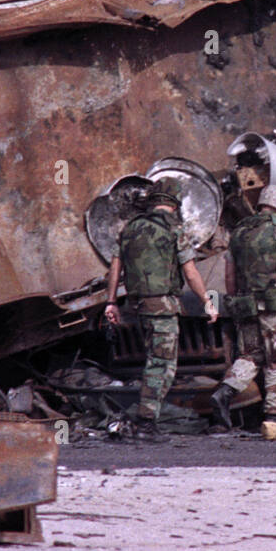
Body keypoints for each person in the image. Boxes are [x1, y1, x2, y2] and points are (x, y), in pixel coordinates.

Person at [104, 178, 217, 442]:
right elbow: (190, 272)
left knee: (152, 361)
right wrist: (207, 301)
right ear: (174, 204)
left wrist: (111, 302)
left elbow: (115, 268)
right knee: (162, 365)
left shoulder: (129, 229)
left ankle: (145, 418)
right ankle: (145, 425)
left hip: (138, 306)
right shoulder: (175, 230)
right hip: (163, 307)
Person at [211, 185, 276, 437]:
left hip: (244, 306)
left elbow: (229, 274)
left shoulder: (240, 231)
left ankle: (224, 393)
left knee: (250, 355)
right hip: (272, 308)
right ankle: (274, 418)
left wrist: (235, 301)